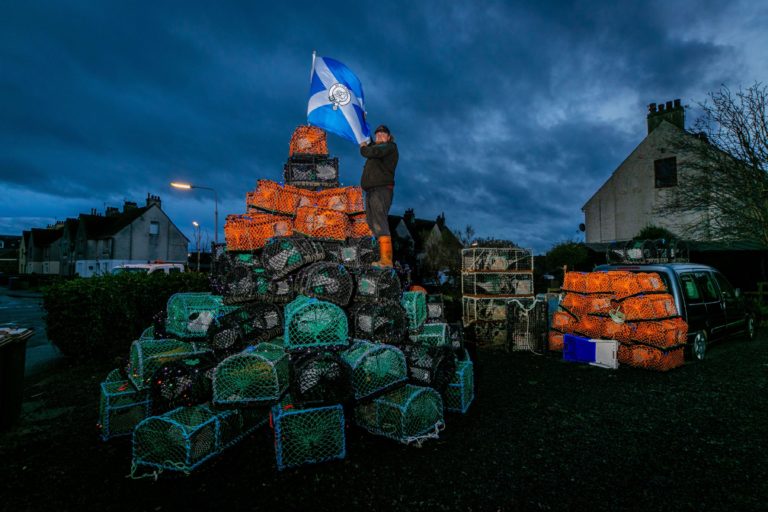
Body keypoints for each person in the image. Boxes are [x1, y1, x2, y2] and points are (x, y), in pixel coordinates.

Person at [360, 124, 399, 267]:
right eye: (377, 134)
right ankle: (377, 257)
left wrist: (363, 147)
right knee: (371, 224)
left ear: (389, 137)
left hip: (381, 190)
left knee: (379, 222)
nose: (379, 136)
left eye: (383, 134)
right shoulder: (378, 150)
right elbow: (371, 146)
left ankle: (387, 260)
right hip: (371, 191)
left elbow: (370, 151)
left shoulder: (390, 147)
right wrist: (362, 122)